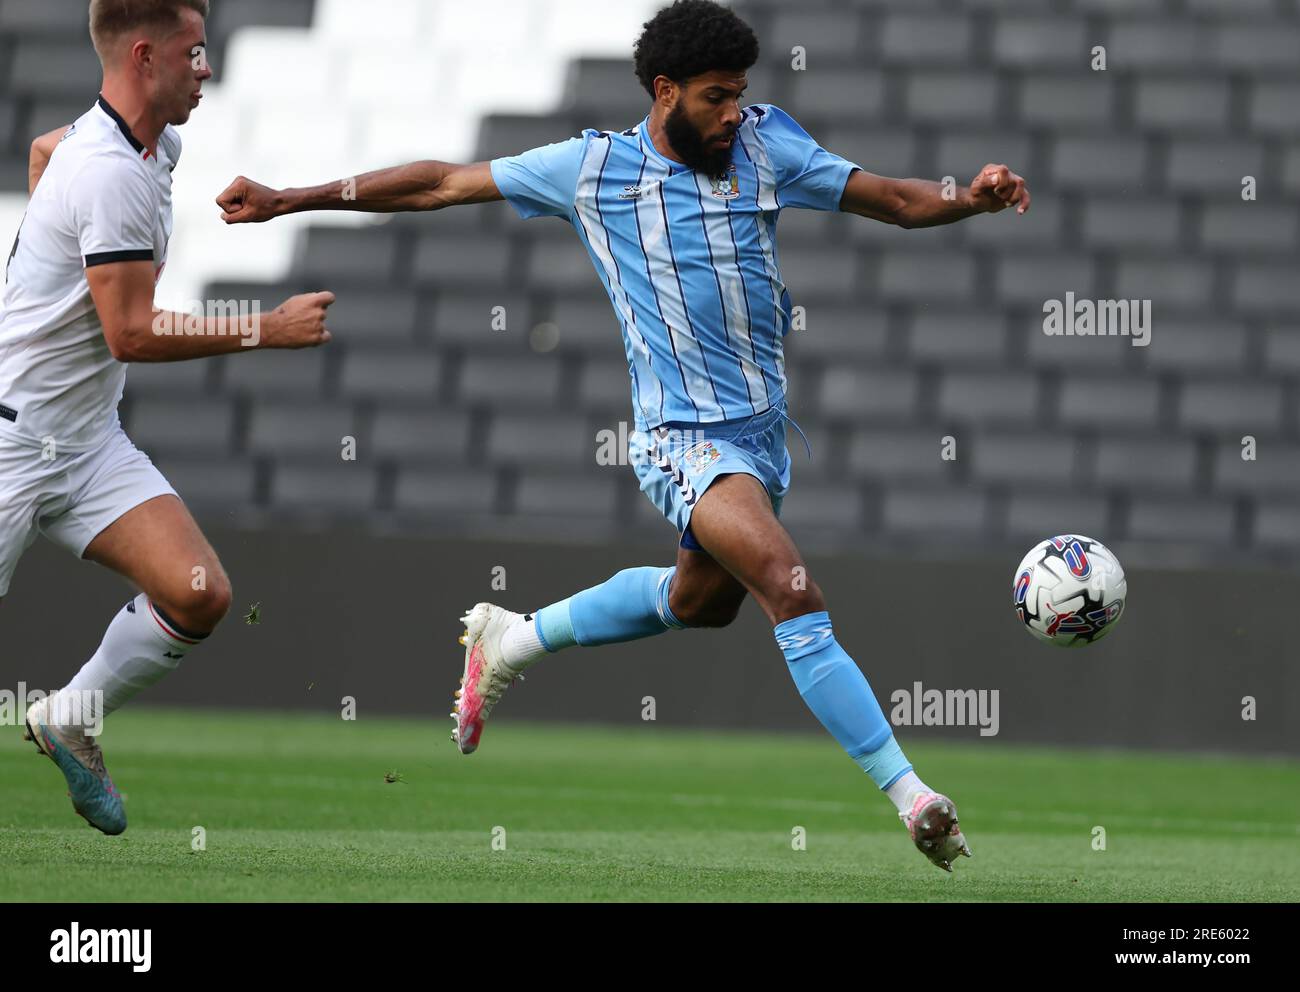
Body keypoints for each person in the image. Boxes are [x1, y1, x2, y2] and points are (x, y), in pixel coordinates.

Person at [215, 0, 1029, 871]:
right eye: (717, 97)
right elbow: (441, 182)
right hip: (682, 438)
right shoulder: (592, 170)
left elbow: (900, 202)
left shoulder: (765, 145)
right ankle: (913, 797)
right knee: (790, 590)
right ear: (665, 90)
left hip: (760, 441)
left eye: (741, 95)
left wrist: (967, 198)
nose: (732, 114)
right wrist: (291, 199)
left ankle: (512, 640)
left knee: (698, 604)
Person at [2, 0, 334, 835]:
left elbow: (49, 152)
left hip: (84, 442)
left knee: (198, 594)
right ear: (146, 57)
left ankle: (70, 716)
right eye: (195, 52)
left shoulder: (145, 148)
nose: (207, 67)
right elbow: (131, 334)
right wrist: (267, 327)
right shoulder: (109, 173)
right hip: (13, 439)